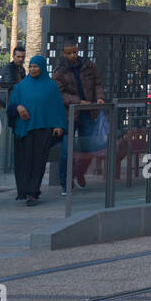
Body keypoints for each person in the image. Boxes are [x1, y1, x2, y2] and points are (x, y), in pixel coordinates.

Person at [7, 55, 67, 206]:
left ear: (42, 67)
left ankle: (32, 192)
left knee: (38, 160)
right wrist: (18, 108)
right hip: (24, 129)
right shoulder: (21, 86)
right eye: (31, 66)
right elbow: (11, 106)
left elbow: (58, 107)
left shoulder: (51, 87)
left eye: (36, 66)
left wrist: (59, 125)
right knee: (24, 160)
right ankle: (23, 190)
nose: (33, 69)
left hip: (43, 128)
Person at [52, 40, 106, 191]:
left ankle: (79, 172)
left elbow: (98, 83)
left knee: (88, 146)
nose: (73, 55)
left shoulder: (88, 65)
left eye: (75, 52)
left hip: (87, 112)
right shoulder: (59, 71)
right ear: (64, 54)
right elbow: (59, 94)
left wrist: (99, 97)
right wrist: (78, 101)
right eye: (69, 53)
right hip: (69, 114)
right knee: (66, 149)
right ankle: (65, 184)